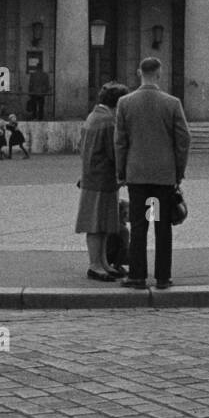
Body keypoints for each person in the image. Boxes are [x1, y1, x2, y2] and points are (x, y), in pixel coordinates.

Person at [115, 56, 191, 291]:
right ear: (159, 74)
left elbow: (120, 142)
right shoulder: (172, 103)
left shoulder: (125, 103)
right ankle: (162, 277)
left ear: (140, 73)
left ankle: (137, 276)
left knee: (138, 226)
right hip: (162, 177)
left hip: (137, 176)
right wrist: (178, 171)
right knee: (161, 225)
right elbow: (183, 140)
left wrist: (122, 171)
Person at [76, 81, 129, 281]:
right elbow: (114, 152)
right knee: (97, 224)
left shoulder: (93, 117)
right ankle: (96, 265)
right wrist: (124, 172)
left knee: (104, 223)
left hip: (93, 177)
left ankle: (102, 263)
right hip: (102, 180)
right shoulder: (108, 122)